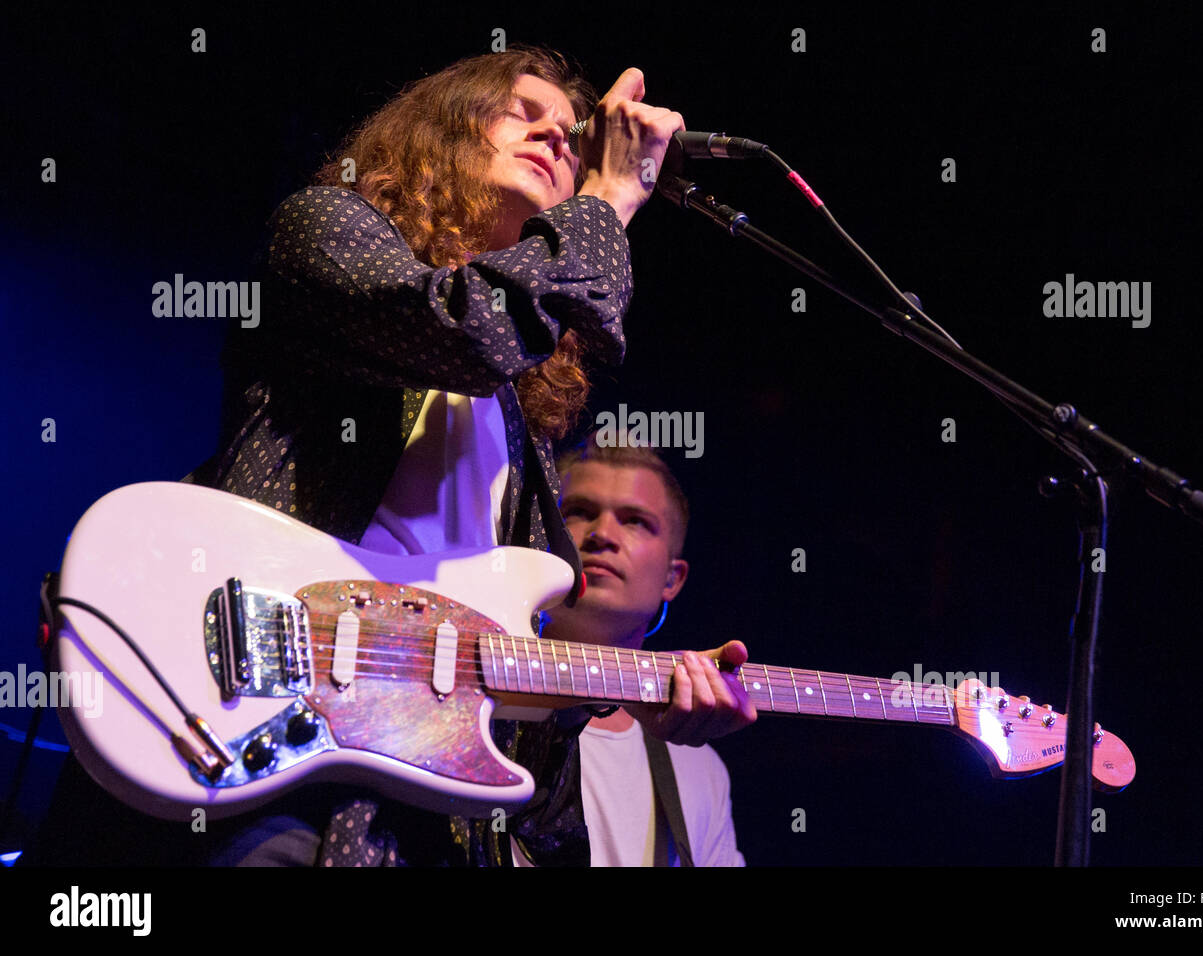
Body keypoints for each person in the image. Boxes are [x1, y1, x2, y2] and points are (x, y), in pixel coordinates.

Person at [26, 45, 752, 868]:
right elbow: (470, 329)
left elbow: (519, 749)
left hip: (406, 813)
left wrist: (641, 699)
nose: (558, 138)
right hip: (258, 747)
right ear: (445, 131)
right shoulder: (327, 229)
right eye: (526, 114)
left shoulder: (522, 416)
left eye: (572, 133)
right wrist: (609, 196)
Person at [511, 439, 750, 866]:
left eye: (635, 521)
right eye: (579, 512)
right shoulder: (485, 711)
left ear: (672, 580)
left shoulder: (699, 771)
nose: (601, 534)